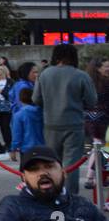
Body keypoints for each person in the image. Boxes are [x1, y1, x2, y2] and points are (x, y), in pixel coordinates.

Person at [33, 44, 98, 194]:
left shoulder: (45, 74)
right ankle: (70, 196)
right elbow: (92, 101)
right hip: (74, 124)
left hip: (50, 124)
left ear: (56, 56)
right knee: (71, 164)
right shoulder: (81, 75)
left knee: (52, 162)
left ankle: (53, 192)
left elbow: (36, 99)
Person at [9, 87, 45, 156]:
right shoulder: (41, 112)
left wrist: (13, 149)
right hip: (42, 147)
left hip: (26, 148)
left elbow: (17, 134)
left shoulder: (19, 115)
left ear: (20, 99)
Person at [85, 59, 109, 144]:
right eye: (106, 66)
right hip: (102, 122)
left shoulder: (86, 82)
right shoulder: (106, 83)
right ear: (98, 69)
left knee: (93, 149)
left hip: (87, 121)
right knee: (101, 150)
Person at [0, 64, 13, 156]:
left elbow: (11, 95)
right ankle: (6, 141)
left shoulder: (10, 82)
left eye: (0, 74)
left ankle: (9, 143)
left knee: (6, 126)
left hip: (6, 106)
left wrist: (2, 92)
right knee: (1, 126)